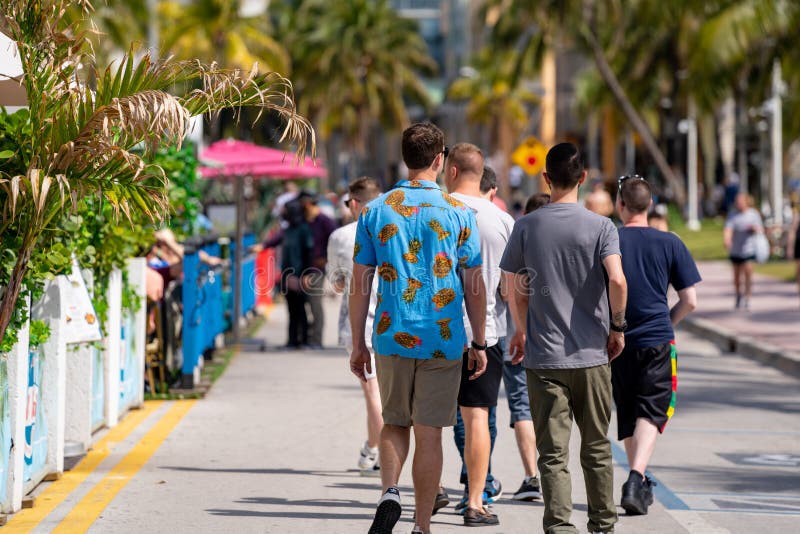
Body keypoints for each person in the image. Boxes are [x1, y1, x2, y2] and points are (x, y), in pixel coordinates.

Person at [350, 122, 487, 534]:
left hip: (391, 334)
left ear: (404, 157)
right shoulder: (461, 213)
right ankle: (421, 526)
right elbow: (474, 285)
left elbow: (360, 283)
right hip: (442, 339)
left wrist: (358, 343)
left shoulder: (375, 210)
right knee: (430, 434)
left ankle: (390, 492)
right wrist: (479, 340)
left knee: (394, 423)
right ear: (439, 160)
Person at [501, 143, 626, 534]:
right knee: (596, 447)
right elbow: (618, 280)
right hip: (592, 356)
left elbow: (513, 287)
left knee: (552, 454)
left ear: (546, 178)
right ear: (583, 178)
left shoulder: (527, 225)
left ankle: (559, 526)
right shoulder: (602, 226)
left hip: (544, 358)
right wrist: (617, 326)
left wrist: (521, 330)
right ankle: (603, 523)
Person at [613, 176, 700, 515]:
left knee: (630, 410)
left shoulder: (611, 239)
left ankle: (640, 481)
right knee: (652, 409)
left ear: (621, 205)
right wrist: (667, 322)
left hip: (618, 340)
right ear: (649, 206)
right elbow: (690, 300)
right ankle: (636, 478)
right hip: (657, 340)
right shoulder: (670, 242)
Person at [444, 145, 514, 526]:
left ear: (451, 171)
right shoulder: (502, 220)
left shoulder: (435, 211)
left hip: (435, 331)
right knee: (476, 417)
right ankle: (475, 501)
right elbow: (511, 287)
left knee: (426, 418)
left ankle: (431, 493)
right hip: (485, 333)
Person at [327, 178, 384, 476]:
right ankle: (371, 450)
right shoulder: (392, 228)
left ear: (354, 203)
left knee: (373, 393)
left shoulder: (341, 236)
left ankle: (381, 452)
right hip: (394, 322)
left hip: (359, 324)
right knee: (386, 393)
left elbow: (336, 284)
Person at [257, 200, 313, 348]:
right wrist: (262, 246)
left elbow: (309, 253)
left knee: (301, 309)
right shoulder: (287, 230)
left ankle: (304, 340)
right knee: (292, 309)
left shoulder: (303, 230)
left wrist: (307, 274)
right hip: (288, 276)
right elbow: (274, 241)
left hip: (300, 276)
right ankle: (292, 340)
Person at [299, 191, 337, 348]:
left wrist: (327, 259)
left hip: (317, 269)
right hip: (302, 268)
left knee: (315, 304)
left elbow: (335, 241)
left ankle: (316, 339)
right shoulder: (304, 221)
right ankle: (307, 337)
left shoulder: (324, 221)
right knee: (305, 303)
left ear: (309, 203)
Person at [723, 193, 764, 309]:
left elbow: (760, 228)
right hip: (736, 250)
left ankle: (748, 297)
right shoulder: (733, 215)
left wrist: (754, 229)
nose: (738, 204)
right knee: (736, 277)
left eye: (740, 201)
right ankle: (738, 295)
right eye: (737, 202)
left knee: (748, 273)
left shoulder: (753, 214)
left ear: (746, 202)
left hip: (749, 249)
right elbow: (728, 229)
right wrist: (727, 239)